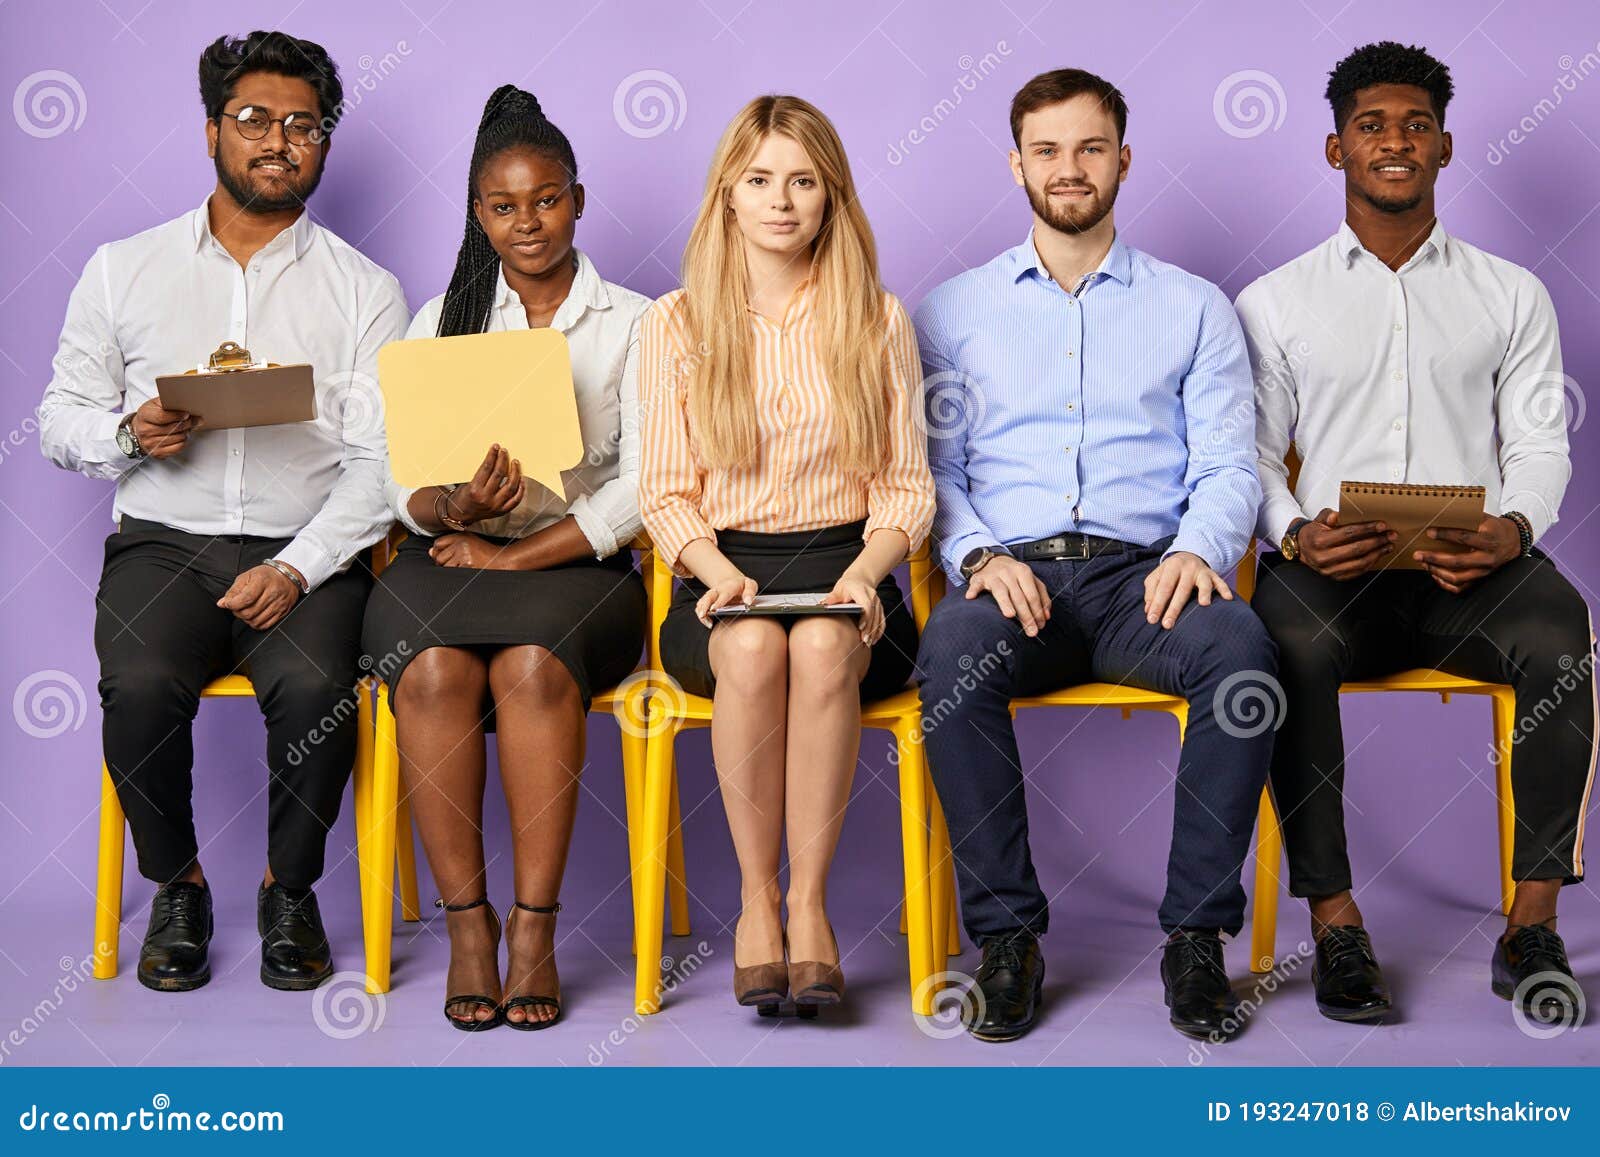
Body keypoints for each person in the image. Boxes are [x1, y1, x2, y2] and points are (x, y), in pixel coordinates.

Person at [37, 31, 408, 992]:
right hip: (166, 546)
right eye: (253, 119)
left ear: (322, 144)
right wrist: (130, 430)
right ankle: (180, 881)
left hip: (307, 546)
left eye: (301, 124)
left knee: (318, 690)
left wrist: (298, 565)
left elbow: (380, 467)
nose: (277, 139)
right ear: (212, 133)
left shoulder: (366, 291)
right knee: (142, 678)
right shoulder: (124, 269)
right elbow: (57, 419)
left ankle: (290, 888)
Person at [912, 69, 1276, 1043]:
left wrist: (1198, 547)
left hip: (1141, 580)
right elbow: (933, 471)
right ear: (1015, 162)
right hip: (1012, 578)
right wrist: (980, 552)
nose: (1068, 168)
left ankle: (1195, 937)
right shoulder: (949, 311)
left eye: (1088, 147)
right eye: (1046, 149)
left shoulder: (1194, 306)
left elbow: (1230, 463)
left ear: (1121, 158)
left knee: (1241, 645)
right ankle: (1007, 939)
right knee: (949, 654)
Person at [1237, 41, 1591, 1025]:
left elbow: (1536, 441)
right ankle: (1337, 921)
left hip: (1470, 569)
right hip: (1332, 572)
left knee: (1563, 633)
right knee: (1284, 643)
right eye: (1370, 125)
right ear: (1333, 147)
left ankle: (1530, 924)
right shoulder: (1273, 302)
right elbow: (1253, 455)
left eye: (1414, 125)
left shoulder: (1510, 292)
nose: (1393, 141)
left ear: (1443, 147)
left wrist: (1511, 526)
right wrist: (1297, 531)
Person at [639, 94, 935, 1017]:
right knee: (759, 645)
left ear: (830, 197)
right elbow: (662, 489)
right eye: (760, 180)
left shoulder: (877, 318)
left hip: (849, 571)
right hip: (724, 574)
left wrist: (865, 573)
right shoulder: (675, 324)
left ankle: (809, 906)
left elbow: (907, 486)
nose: (781, 201)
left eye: (803, 181)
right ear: (727, 195)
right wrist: (716, 571)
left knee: (815, 644)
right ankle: (755, 902)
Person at [361, 86, 649, 1031]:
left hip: (576, 568)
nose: (527, 222)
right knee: (435, 668)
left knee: (529, 667)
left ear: (578, 197)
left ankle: (534, 927)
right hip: (448, 553)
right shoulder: (440, 319)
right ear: (478, 214)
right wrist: (450, 504)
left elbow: (649, 486)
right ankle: (469, 928)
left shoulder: (641, 323)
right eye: (502, 206)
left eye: (547, 199)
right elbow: (393, 471)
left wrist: (521, 558)